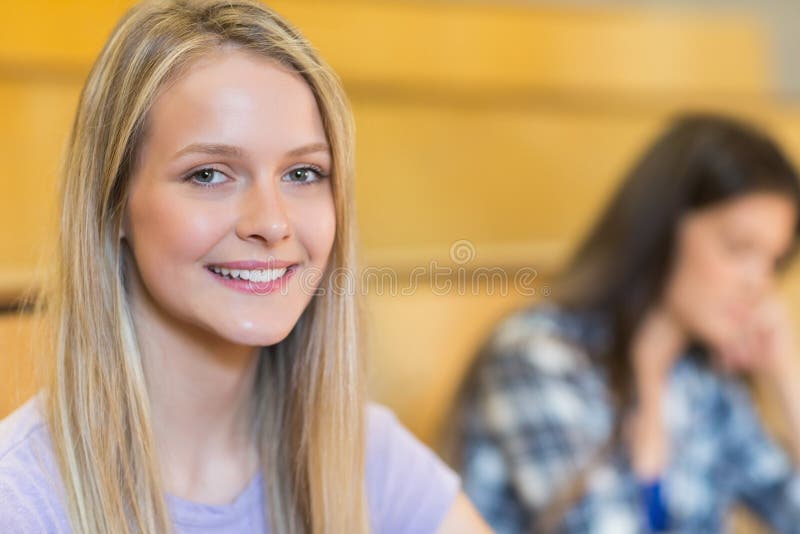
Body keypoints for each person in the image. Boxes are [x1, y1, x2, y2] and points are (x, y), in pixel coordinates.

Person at [0, 1, 490, 532]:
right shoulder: (21, 500)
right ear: (113, 203)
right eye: (209, 174)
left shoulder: (364, 455)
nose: (272, 223)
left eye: (302, 173)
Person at [451, 113, 800, 533]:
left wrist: (786, 376)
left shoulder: (701, 379)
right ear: (662, 228)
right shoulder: (536, 357)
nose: (759, 282)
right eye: (738, 248)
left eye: (773, 261)